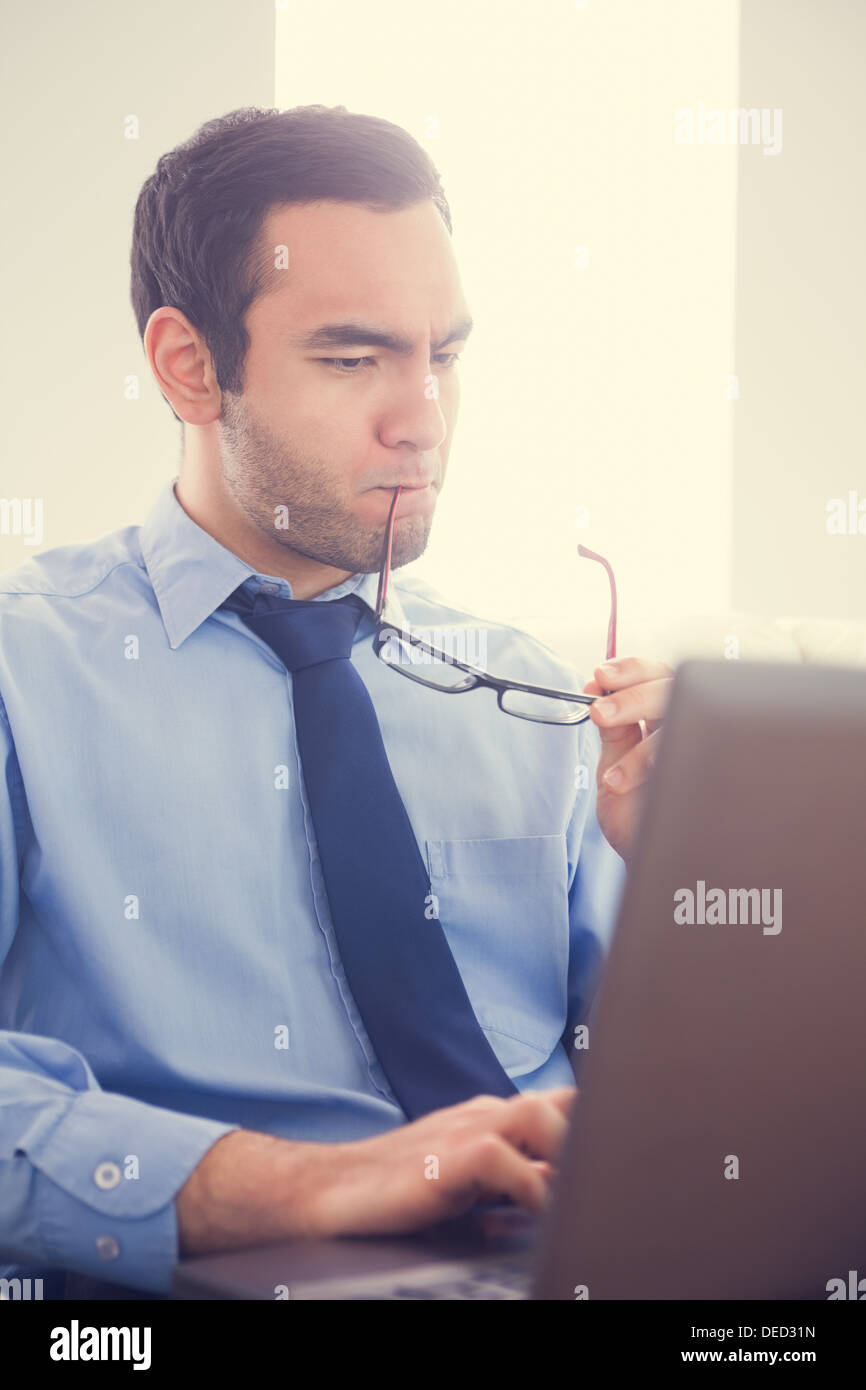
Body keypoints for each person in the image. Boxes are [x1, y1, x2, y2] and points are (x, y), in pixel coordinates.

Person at [0, 105, 672, 1298]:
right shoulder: (23, 675)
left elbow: (691, 1120)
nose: (420, 417)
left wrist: (697, 887)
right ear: (189, 365)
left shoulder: (527, 698)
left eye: (444, 356)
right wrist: (303, 1185)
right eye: (353, 359)